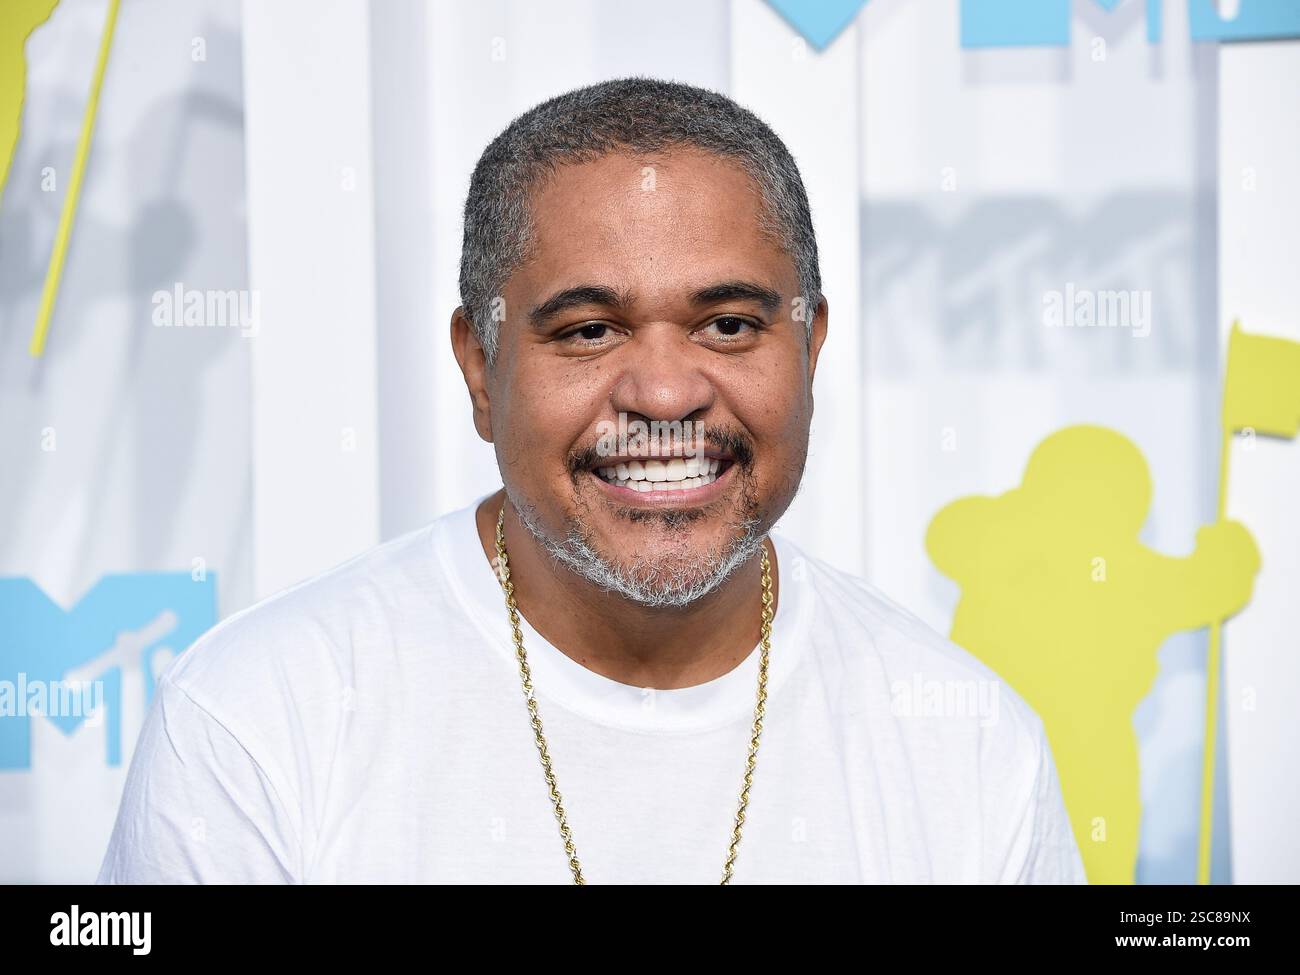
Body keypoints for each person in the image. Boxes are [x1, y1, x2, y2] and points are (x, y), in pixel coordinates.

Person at [96, 77, 1086, 884]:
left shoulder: (969, 746)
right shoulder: (259, 720)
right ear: (481, 367)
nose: (663, 390)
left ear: (809, 349)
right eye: (588, 331)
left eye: (729, 325)